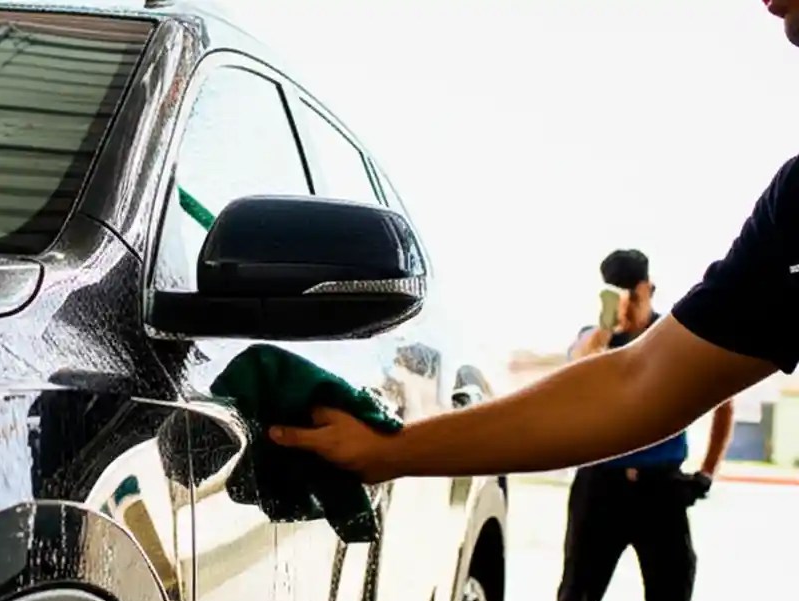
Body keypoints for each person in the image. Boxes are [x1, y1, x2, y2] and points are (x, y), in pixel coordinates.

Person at [267, 0, 799, 492]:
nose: (768, 2)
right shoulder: (794, 202)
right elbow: (636, 383)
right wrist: (391, 451)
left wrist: (704, 473)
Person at [523, 249, 734, 601]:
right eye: (618, 295)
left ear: (649, 289)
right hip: (600, 488)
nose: (630, 304)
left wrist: (704, 475)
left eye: (634, 294)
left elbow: (724, 399)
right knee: (573, 599)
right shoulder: (595, 340)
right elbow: (577, 365)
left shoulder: (674, 338)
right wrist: (608, 326)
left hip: (662, 491)